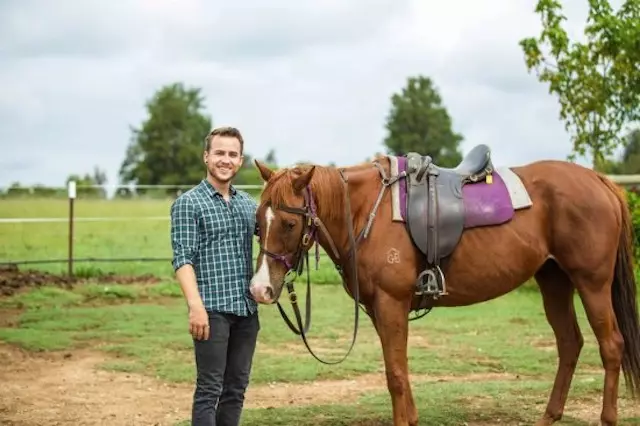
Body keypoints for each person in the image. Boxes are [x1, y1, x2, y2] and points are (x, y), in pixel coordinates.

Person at [170, 126, 260, 426]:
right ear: (206, 157)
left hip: (246, 310)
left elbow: (278, 236)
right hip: (211, 310)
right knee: (210, 389)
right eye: (219, 153)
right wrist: (196, 306)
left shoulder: (248, 205)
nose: (226, 160)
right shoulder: (189, 203)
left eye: (232, 154)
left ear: (241, 161)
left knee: (236, 390)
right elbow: (183, 259)